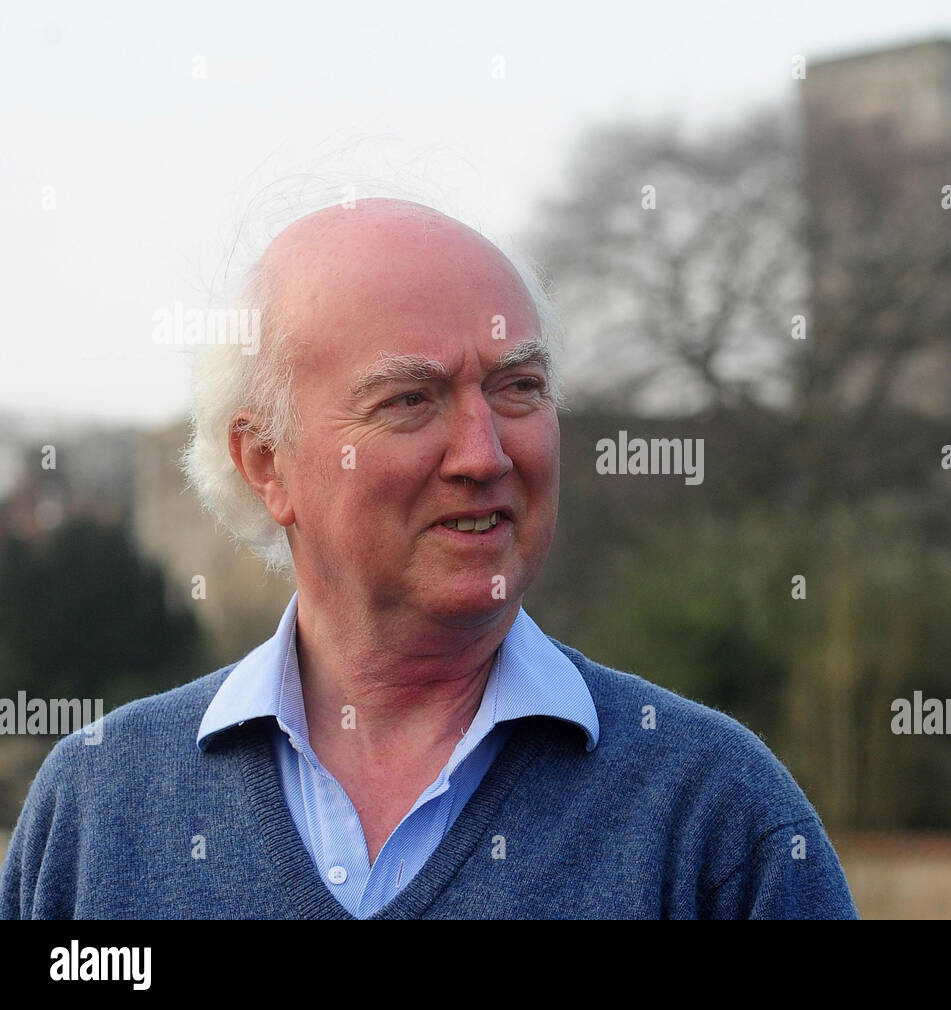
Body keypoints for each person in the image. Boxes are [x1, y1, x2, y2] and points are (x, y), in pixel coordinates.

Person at [0, 198, 858, 919]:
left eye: (518, 387)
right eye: (410, 400)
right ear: (267, 465)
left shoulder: (712, 815)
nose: (484, 454)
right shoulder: (99, 809)